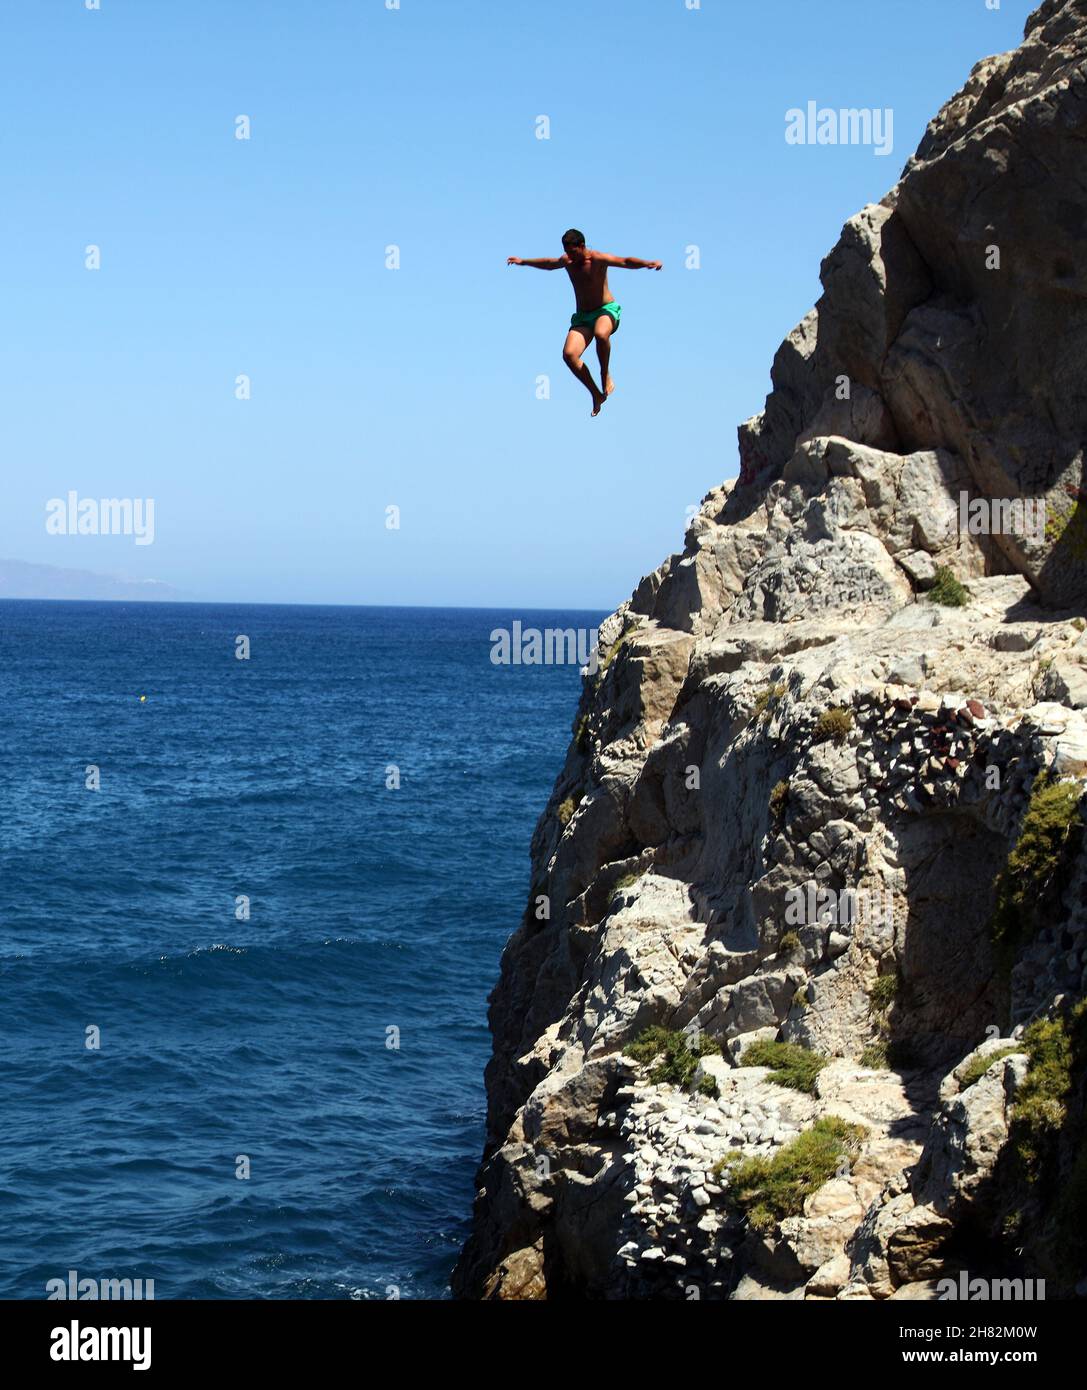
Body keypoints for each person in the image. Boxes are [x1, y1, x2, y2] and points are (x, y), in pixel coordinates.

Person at [508, 229, 663, 416]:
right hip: (583, 316)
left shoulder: (597, 259)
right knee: (569, 354)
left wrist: (647, 263)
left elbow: (624, 261)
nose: (570, 256)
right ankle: (596, 394)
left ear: (582, 247)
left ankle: (604, 374)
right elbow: (549, 263)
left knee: (601, 333)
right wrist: (523, 262)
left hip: (606, 310)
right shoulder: (567, 261)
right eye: (567, 252)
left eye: (573, 252)